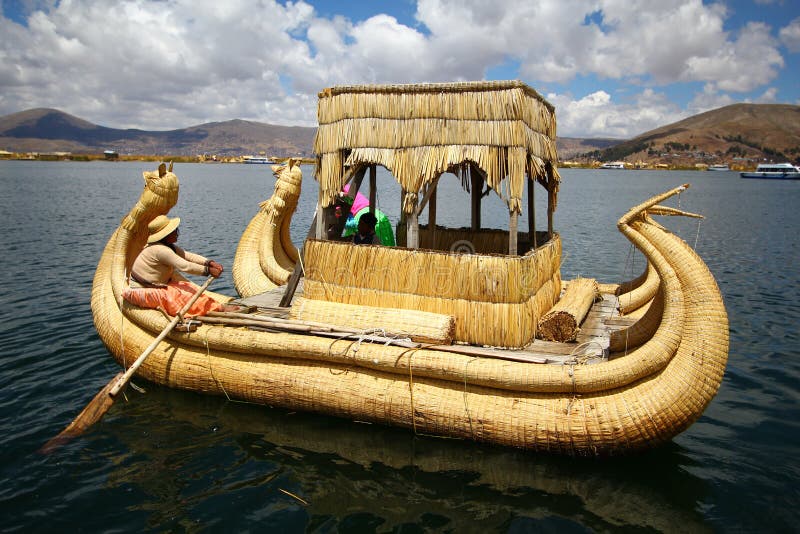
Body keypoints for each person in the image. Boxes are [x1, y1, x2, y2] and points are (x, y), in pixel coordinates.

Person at [122, 215, 227, 316]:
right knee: (183, 296)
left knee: (188, 287)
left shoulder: (167, 246)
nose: (177, 233)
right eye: (174, 231)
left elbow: (187, 256)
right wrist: (208, 270)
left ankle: (213, 307)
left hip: (154, 285)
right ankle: (216, 309)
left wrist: (210, 263)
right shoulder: (160, 250)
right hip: (142, 291)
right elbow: (185, 266)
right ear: (166, 235)